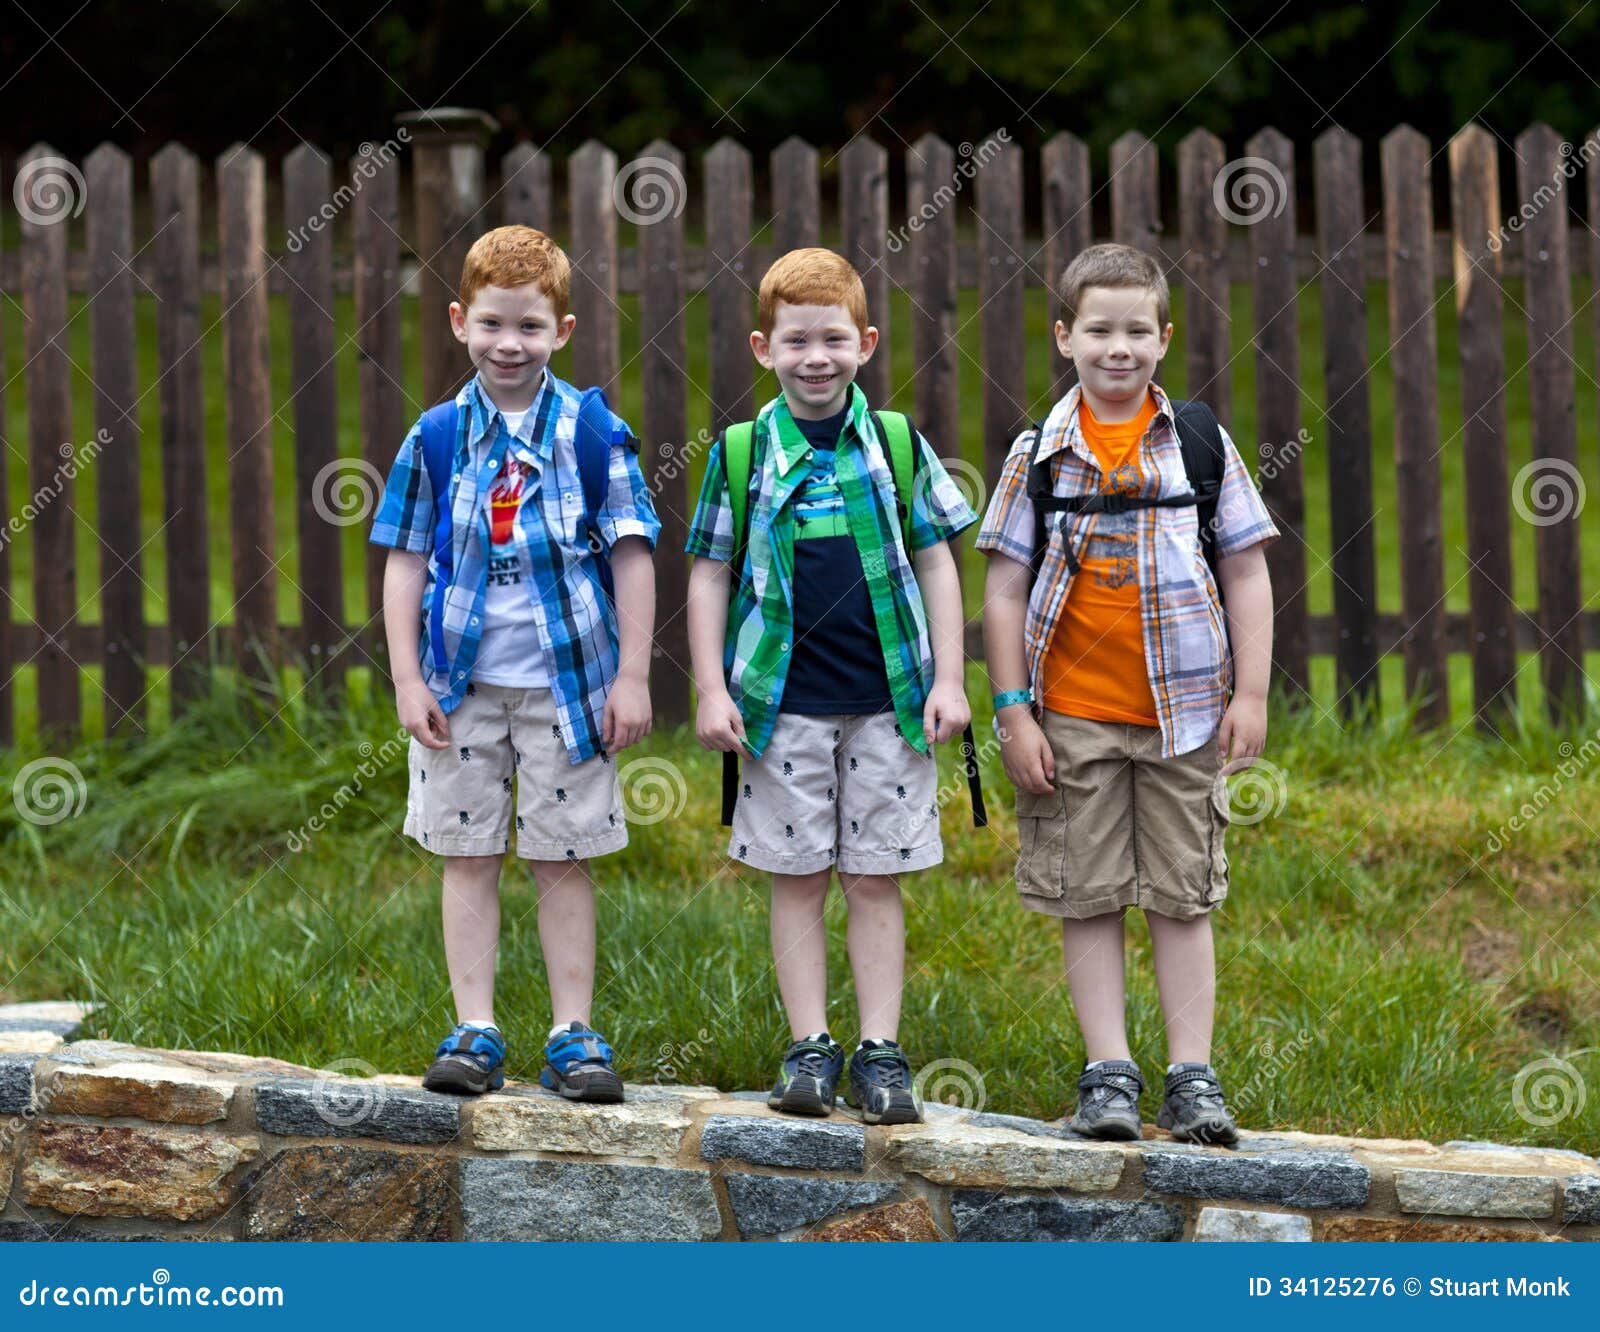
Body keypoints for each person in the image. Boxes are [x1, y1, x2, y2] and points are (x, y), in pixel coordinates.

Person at [976, 242, 1278, 1145]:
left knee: (1183, 897)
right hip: (1071, 719)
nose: (1119, 347)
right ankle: (1108, 1072)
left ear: (1165, 336)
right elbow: (1001, 587)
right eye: (1098, 329)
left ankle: (1192, 1076)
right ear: (1064, 337)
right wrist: (1013, 708)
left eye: (1137, 330)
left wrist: (1251, 695)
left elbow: (1248, 569)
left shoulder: (1196, 441)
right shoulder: (1042, 452)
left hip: (1186, 715)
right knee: (1089, 893)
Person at [684, 248, 976, 1124]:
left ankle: (880, 1049)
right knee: (798, 876)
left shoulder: (893, 443)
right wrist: (710, 687)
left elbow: (936, 558)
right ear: (763, 347)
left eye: (835, 340)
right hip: (782, 710)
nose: (817, 357)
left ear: (867, 343)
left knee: (876, 878)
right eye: (797, 340)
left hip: (890, 703)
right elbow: (707, 572)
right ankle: (810, 1045)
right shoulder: (741, 453)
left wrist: (951, 679)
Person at [369, 225, 659, 1102]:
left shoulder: (592, 430)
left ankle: (573, 1032)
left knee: (563, 857)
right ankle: (476, 1026)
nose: (509, 344)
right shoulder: (436, 436)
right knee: (467, 853)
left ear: (562, 332)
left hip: (569, 690)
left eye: (530, 327)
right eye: (492, 324)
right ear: (461, 322)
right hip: (461, 689)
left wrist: (634, 675)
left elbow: (633, 552)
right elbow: (404, 557)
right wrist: (408, 677)